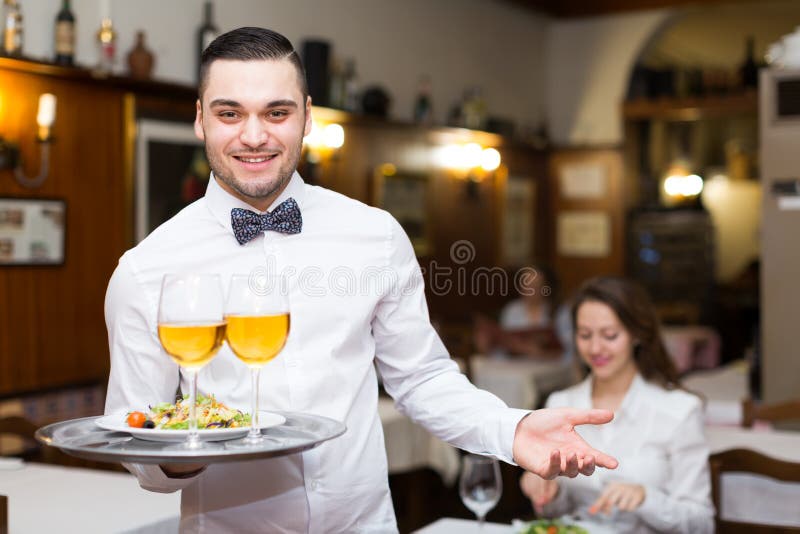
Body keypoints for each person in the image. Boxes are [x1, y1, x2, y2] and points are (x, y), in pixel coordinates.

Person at [104, 27, 617, 532]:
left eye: (277, 112)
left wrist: (514, 429)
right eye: (229, 113)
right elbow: (136, 431)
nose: (254, 135)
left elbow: (422, 378)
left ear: (306, 115)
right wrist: (190, 450)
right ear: (200, 120)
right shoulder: (146, 270)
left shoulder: (375, 234)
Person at [519, 276, 714, 533]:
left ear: (636, 334)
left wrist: (646, 499)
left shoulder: (680, 410)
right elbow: (557, 515)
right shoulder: (561, 405)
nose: (596, 348)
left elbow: (701, 523)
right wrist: (548, 493)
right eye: (585, 335)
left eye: (610, 335)